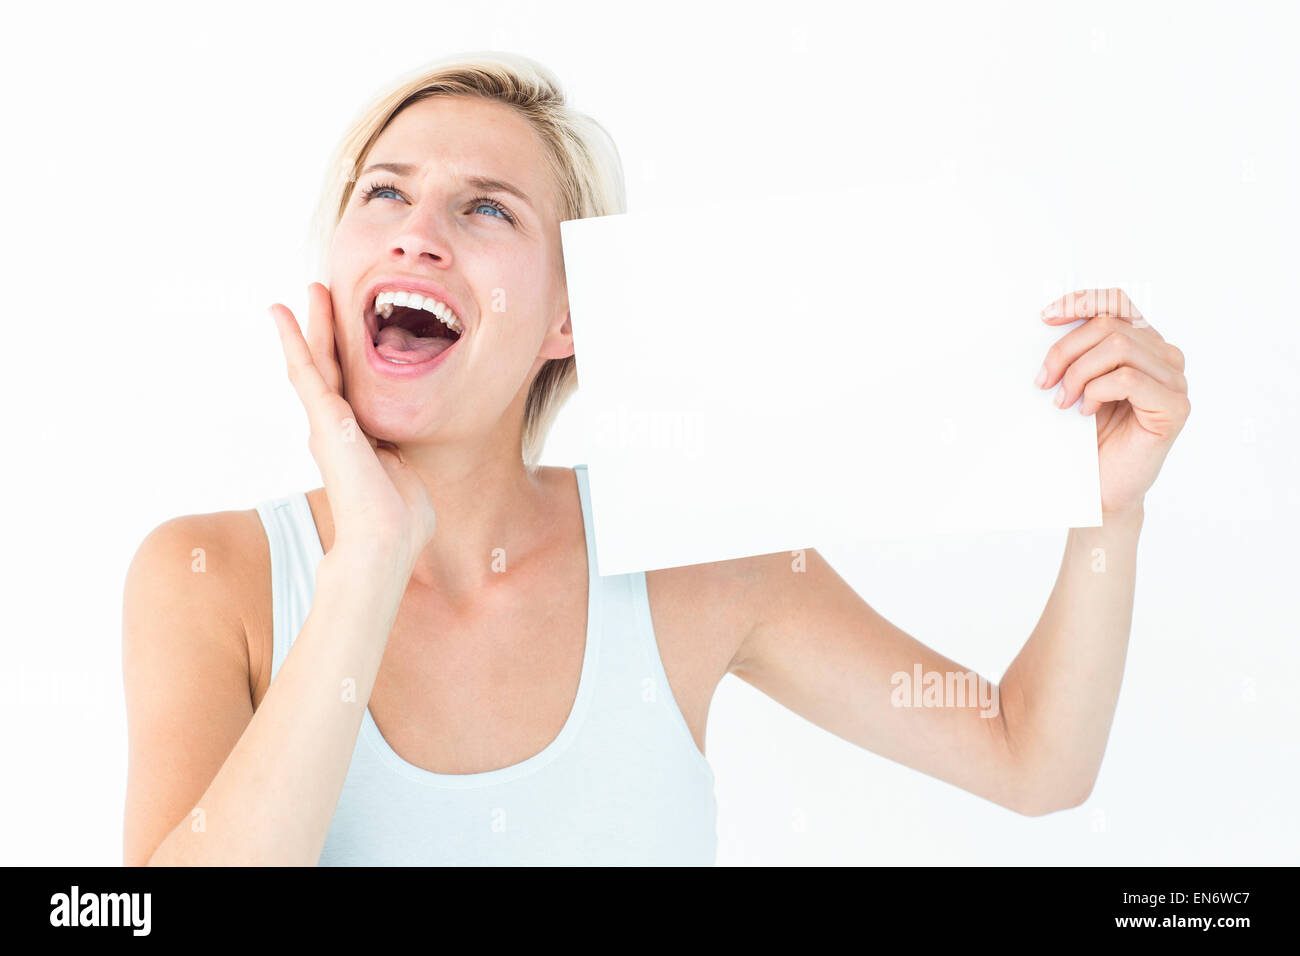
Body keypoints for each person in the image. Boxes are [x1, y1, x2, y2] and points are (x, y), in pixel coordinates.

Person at [121, 52, 1191, 866]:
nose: (418, 232)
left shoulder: (694, 559)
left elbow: (1031, 759)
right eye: (385, 193)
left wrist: (1110, 514)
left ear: (567, 319)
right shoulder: (206, 577)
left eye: (485, 207)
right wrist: (366, 562)